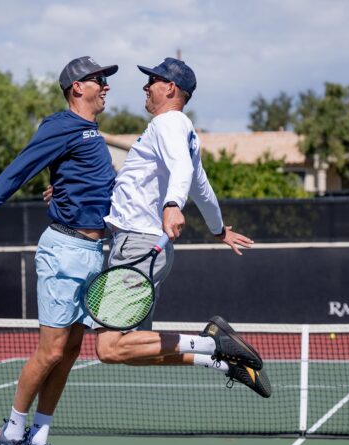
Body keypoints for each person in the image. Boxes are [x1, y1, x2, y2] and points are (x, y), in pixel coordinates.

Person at [0, 56, 118, 445]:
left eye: (106, 81)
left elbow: (93, 184)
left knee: (69, 353)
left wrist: (63, 189)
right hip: (64, 251)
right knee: (49, 353)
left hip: (92, 252)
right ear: (76, 88)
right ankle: (10, 434)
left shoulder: (91, 133)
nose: (105, 86)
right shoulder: (60, 126)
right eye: (98, 80)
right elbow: (18, 169)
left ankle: (40, 438)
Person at [94, 58, 271, 397]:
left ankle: (211, 342)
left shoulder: (169, 122)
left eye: (153, 81)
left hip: (138, 245)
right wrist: (218, 229)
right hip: (144, 246)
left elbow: (182, 173)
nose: (146, 87)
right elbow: (201, 186)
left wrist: (172, 204)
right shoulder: (184, 132)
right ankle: (219, 361)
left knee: (109, 348)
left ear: (170, 88)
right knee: (131, 350)